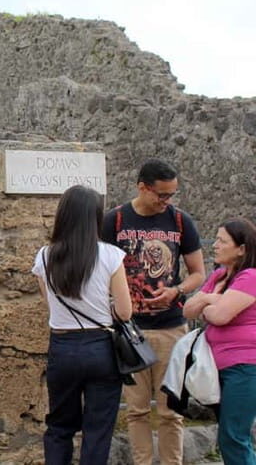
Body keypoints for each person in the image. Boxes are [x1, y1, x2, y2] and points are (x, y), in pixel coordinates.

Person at [101, 158, 206, 465]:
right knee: (136, 411)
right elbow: (100, 269)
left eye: (171, 195)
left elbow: (198, 273)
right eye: (161, 195)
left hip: (170, 327)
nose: (166, 201)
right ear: (142, 188)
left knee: (172, 410)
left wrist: (177, 291)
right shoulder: (115, 221)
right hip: (130, 331)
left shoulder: (180, 221)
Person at [32, 185, 133, 464]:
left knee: (59, 426)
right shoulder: (111, 255)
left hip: (62, 347)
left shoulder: (44, 256)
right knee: (98, 429)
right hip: (100, 347)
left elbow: (49, 305)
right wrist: (105, 308)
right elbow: (125, 312)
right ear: (95, 218)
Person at [184, 218, 256, 464]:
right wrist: (213, 300)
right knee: (229, 436)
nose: (214, 245)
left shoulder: (250, 277)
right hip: (219, 368)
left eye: (222, 241)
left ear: (241, 249)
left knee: (233, 436)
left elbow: (220, 316)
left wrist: (208, 301)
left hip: (244, 367)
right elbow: (188, 310)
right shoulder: (218, 276)